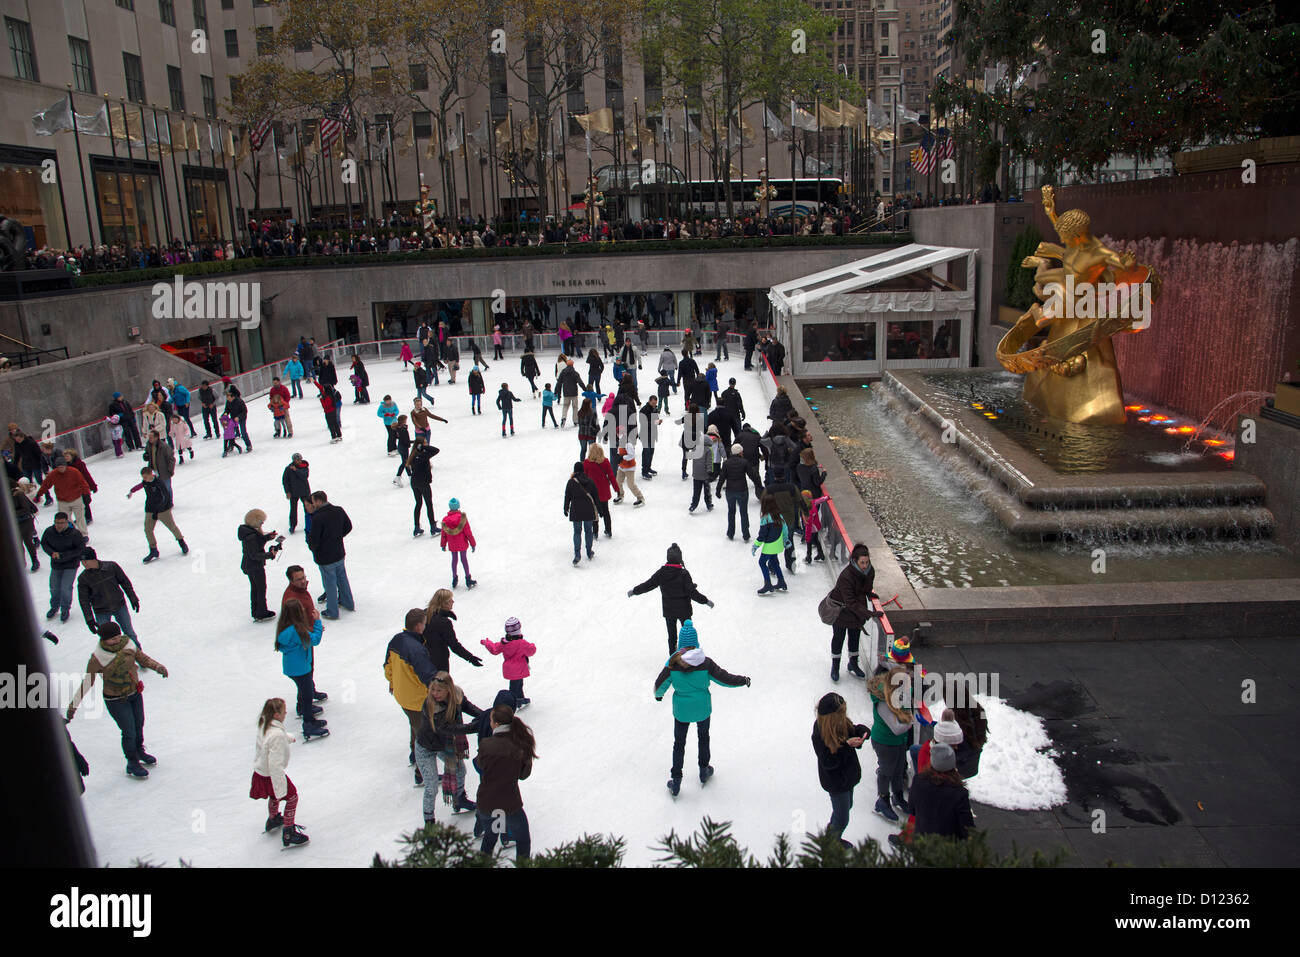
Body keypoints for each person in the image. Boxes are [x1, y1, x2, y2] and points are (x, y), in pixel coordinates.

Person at [653, 620, 749, 796]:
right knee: (703, 737)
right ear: (696, 642)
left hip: (681, 712)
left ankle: (676, 780)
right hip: (702, 709)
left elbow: (660, 684)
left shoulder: (672, 663)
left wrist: (658, 696)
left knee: (679, 743)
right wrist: (742, 680)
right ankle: (704, 770)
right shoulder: (705, 662)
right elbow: (724, 678)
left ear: (680, 644)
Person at [413, 672, 481, 820]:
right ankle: (429, 822)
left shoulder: (456, 695)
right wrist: (475, 727)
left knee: (460, 770)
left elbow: (468, 707)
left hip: (443, 744)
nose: (434, 694)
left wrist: (485, 717)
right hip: (426, 748)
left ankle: (459, 799)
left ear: (448, 690)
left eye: (439, 690)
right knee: (431, 787)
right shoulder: (431, 705)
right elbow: (449, 729)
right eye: (433, 690)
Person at [628, 543, 714, 655]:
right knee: (688, 634)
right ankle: (690, 658)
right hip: (684, 611)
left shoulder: (662, 573)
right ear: (680, 558)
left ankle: (673, 659)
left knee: (672, 637)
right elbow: (692, 592)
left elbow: (648, 585)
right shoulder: (684, 573)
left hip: (669, 611)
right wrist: (705, 601)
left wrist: (635, 591)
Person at [476, 705, 537, 860]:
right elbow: (523, 774)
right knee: (523, 839)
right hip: (509, 803)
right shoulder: (520, 744)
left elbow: (479, 765)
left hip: (487, 802)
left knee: (490, 837)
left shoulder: (486, 744)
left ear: (496, 724)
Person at [385, 608, 437, 785]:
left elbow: (387, 666)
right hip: (417, 699)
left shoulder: (396, 641)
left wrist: (393, 682)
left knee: (414, 726)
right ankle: (422, 772)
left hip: (402, 695)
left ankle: (413, 755)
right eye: (424, 622)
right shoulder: (416, 650)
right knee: (423, 733)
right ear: (418, 626)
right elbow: (428, 677)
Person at [250, 698, 310, 847]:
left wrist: (286, 738)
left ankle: (273, 818)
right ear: (276, 715)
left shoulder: (264, 723)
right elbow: (275, 764)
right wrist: (280, 787)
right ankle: (289, 832)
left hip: (261, 771)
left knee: (274, 795)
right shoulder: (276, 735)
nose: (286, 713)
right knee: (292, 797)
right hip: (271, 774)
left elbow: (268, 742)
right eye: (283, 711)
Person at [812, 692, 869, 848]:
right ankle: (830, 844)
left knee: (846, 807)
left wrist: (860, 731)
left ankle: (830, 836)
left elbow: (851, 730)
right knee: (842, 817)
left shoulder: (841, 723)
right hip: (836, 783)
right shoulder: (819, 734)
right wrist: (847, 746)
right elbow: (828, 761)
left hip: (847, 778)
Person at [275, 599, 328, 738]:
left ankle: (304, 710)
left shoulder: (285, 628)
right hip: (301, 668)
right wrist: (317, 622)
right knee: (307, 694)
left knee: (304, 690)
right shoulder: (296, 631)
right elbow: (314, 640)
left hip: (292, 667)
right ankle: (308, 724)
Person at [867, 666, 913, 823]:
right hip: (885, 742)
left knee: (899, 769)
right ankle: (883, 800)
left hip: (899, 741)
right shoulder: (883, 703)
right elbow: (897, 728)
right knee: (887, 771)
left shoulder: (901, 693)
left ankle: (898, 796)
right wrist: (911, 720)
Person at [827, 543, 877, 682]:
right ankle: (835, 666)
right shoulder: (846, 576)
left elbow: (867, 586)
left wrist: (869, 594)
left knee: (854, 637)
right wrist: (867, 613)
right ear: (855, 561)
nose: (865, 565)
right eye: (862, 562)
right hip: (841, 611)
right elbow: (850, 601)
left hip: (856, 612)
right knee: (839, 638)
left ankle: (853, 663)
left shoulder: (870, 571)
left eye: (867, 562)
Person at [904, 743, 975, 841]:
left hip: (921, 841)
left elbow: (912, 809)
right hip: (946, 848)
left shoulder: (918, 780)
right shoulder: (959, 793)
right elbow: (967, 828)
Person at [78, 547, 141, 647]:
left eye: (85, 561)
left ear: (93, 559)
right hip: (101, 611)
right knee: (107, 639)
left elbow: (125, 582)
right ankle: (113, 659)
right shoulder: (83, 578)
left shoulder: (111, 566)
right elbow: (84, 600)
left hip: (120, 605)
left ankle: (137, 654)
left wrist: (133, 598)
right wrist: (89, 619)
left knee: (129, 632)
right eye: (82, 561)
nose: (83, 564)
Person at [305, 491, 353, 618]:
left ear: (319, 501)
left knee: (329, 583)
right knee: (342, 578)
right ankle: (348, 602)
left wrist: (313, 547)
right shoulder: (338, 510)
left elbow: (314, 539)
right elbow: (348, 526)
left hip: (325, 556)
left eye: (313, 501)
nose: (313, 504)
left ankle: (332, 611)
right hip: (339, 552)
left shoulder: (318, 517)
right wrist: (337, 537)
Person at [127, 467, 187, 563]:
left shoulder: (159, 483)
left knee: (172, 527)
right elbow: (140, 485)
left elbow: (166, 497)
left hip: (163, 509)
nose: (144, 479)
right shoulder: (145, 482)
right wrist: (131, 491)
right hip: (150, 509)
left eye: (146, 477)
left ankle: (181, 542)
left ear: (151, 474)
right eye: (143, 477)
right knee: (148, 529)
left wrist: (157, 511)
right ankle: (153, 550)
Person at [422, 589, 484, 674]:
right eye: (450, 600)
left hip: (424, 659)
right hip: (439, 662)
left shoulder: (424, 614)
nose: (453, 601)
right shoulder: (444, 623)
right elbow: (454, 646)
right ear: (444, 603)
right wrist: (470, 658)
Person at [481, 616, 536, 709]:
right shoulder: (521, 643)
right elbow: (531, 651)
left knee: (517, 685)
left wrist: (487, 643)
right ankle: (514, 703)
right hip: (519, 669)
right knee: (515, 687)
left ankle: (520, 699)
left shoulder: (504, 643)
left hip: (510, 670)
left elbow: (494, 649)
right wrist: (532, 645)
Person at [239, 509, 284, 623]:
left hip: (249, 565)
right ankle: (261, 612)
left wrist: (267, 537)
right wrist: (270, 554)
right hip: (254, 566)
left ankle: (256, 611)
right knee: (260, 588)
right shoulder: (251, 536)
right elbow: (255, 554)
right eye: (261, 522)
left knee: (255, 588)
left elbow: (257, 543)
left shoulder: (249, 532)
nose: (262, 524)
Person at [40, 512, 86, 622]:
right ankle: (54, 606)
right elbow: (44, 543)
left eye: (61, 523)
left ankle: (65, 608)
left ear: (67, 522)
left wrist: (63, 555)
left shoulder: (75, 534)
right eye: (56, 523)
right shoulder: (49, 532)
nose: (59, 525)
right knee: (54, 587)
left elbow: (80, 549)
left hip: (71, 564)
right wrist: (52, 553)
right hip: (56, 564)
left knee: (65, 587)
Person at [35, 458, 92, 535]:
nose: (60, 469)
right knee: (65, 519)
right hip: (63, 501)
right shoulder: (53, 474)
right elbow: (45, 485)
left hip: (76, 498)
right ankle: (71, 533)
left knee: (80, 518)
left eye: (62, 467)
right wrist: (39, 494)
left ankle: (83, 534)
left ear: (66, 466)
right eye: (58, 467)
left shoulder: (74, 472)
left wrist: (86, 494)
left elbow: (83, 483)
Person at [563, 461, 600, 566]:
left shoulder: (571, 482)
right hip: (588, 510)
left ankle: (577, 555)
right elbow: (596, 497)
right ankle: (589, 552)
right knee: (588, 531)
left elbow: (567, 496)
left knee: (577, 532)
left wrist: (565, 508)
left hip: (576, 511)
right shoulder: (590, 481)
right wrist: (600, 510)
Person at [752, 494, 790, 594]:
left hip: (770, 545)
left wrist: (755, 545)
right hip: (778, 544)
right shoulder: (779, 515)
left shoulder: (765, 518)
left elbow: (762, 535)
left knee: (762, 562)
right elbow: (785, 529)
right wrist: (785, 540)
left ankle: (768, 584)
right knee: (774, 561)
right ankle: (781, 581)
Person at [439, 497, 477, 588]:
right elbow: (468, 532)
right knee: (464, 560)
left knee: (454, 560)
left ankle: (454, 578)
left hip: (452, 544)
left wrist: (443, 544)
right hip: (462, 543)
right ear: (458, 506)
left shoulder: (445, 520)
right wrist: (473, 543)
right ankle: (468, 578)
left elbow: (443, 534)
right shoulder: (462, 518)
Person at [407, 438, 439, 537]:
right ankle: (433, 527)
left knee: (418, 504)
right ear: (421, 445)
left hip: (414, 483)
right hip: (423, 483)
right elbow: (436, 450)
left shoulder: (413, 455)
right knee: (429, 504)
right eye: (425, 443)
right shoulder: (423, 455)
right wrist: (424, 447)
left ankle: (416, 527)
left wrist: (421, 447)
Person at [62, 449, 98, 525]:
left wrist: (93, 486)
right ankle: (80, 517)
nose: (66, 458)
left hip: (82, 486)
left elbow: (86, 475)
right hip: (73, 488)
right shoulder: (66, 465)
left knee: (84, 502)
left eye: (67, 456)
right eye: (65, 456)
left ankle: (88, 517)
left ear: (72, 456)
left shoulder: (79, 464)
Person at [11, 481, 40, 571]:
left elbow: (26, 509)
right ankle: (22, 562)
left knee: (28, 542)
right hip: (14, 523)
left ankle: (35, 560)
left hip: (25, 521)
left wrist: (10, 513)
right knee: (18, 543)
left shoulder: (19, 494)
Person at [282, 453, 312, 535]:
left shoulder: (304, 467)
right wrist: (287, 491)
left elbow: (304, 476)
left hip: (304, 491)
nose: (299, 461)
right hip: (293, 492)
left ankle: (310, 524)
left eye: (299, 459)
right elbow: (285, 481)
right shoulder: (288, 469)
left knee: (308, 508)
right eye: (297, 460)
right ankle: (292, 525)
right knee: (293, 510)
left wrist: (296, 470)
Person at [556, 359, 582, 426]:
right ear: (572, 365)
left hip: (566, 392)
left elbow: (559, 382)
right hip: (574, 392)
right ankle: (575, 420)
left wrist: (556, 391)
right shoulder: (575, 373)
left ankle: (564, 417)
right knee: (575, 407)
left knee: (565, 406)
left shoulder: (563, 372)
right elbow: (580, 382)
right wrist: (586, 389)